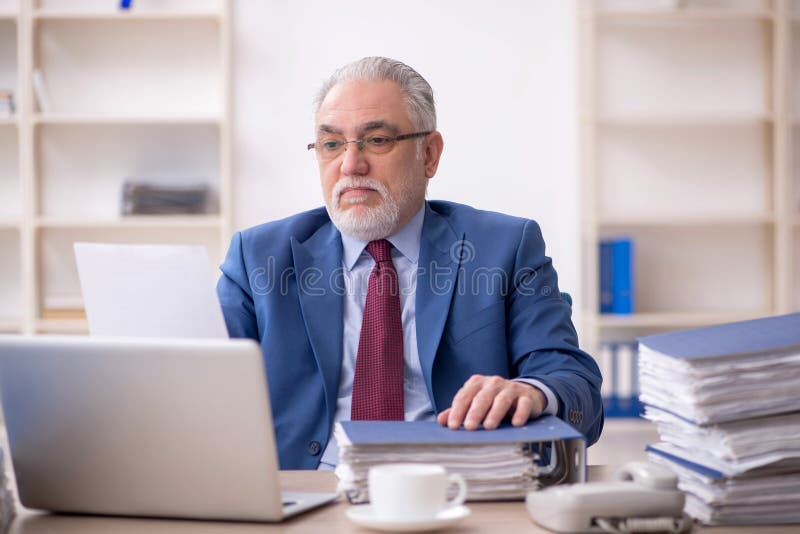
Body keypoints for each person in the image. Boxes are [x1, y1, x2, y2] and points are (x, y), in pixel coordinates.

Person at [217, 57, 603, 470]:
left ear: (429, 155)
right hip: (307, 488)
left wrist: (534, 392)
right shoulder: (257, 258)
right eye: (331, 144)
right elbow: (202, 390)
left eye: (377, 140)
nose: (350, 165)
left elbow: (574, 384)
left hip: (453, 485)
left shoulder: (505, 248)